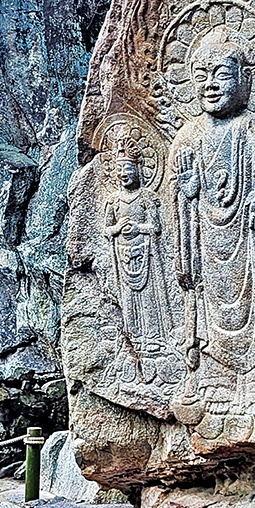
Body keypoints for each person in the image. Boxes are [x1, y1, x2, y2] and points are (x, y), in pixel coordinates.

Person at [169, 29, 255, 440]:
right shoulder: (187, 138)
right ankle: (212, 379)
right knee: (207, 307)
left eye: (222, 74)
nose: (211, 84)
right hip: (204, 245)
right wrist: (187, 195)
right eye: (201, 75)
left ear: (246, 79)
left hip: (251, 244)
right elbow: (176, 195)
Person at [104, 133, 176, 386]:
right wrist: (117, 229)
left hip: (145, 252)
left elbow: (155, 226)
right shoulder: (113, 201)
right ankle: (132, 339)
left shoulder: (147, 198)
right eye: (119, 169)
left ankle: (154, 339)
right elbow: (107, 230)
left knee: (148, 299)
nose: (123, 174)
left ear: (139, 169)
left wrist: (137, 226)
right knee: (129, 300)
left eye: (128, 168)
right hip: (123, 256)